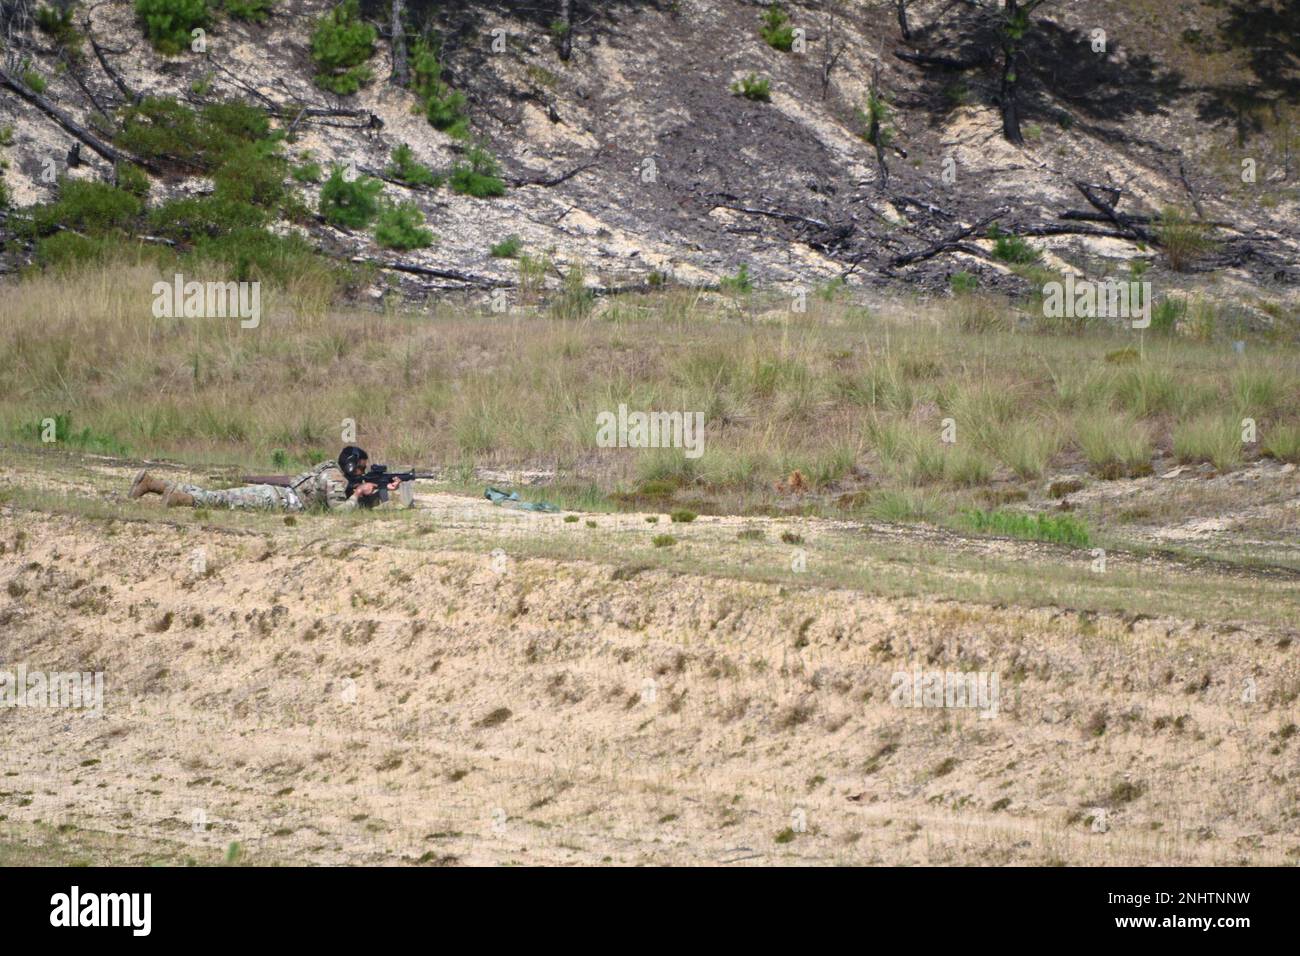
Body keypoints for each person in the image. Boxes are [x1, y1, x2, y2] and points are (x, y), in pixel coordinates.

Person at [128, 445, 401, 512]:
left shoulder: (335, 471)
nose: (362, 474)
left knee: (217, 495)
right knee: (220, 500)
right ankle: (179, 498)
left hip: (277, 496)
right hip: (277, 501)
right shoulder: (335, 479)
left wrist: (376, 493)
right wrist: (358, 495)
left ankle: (153, 484)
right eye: (360, 468)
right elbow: (341, 512)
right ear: (351, 465)